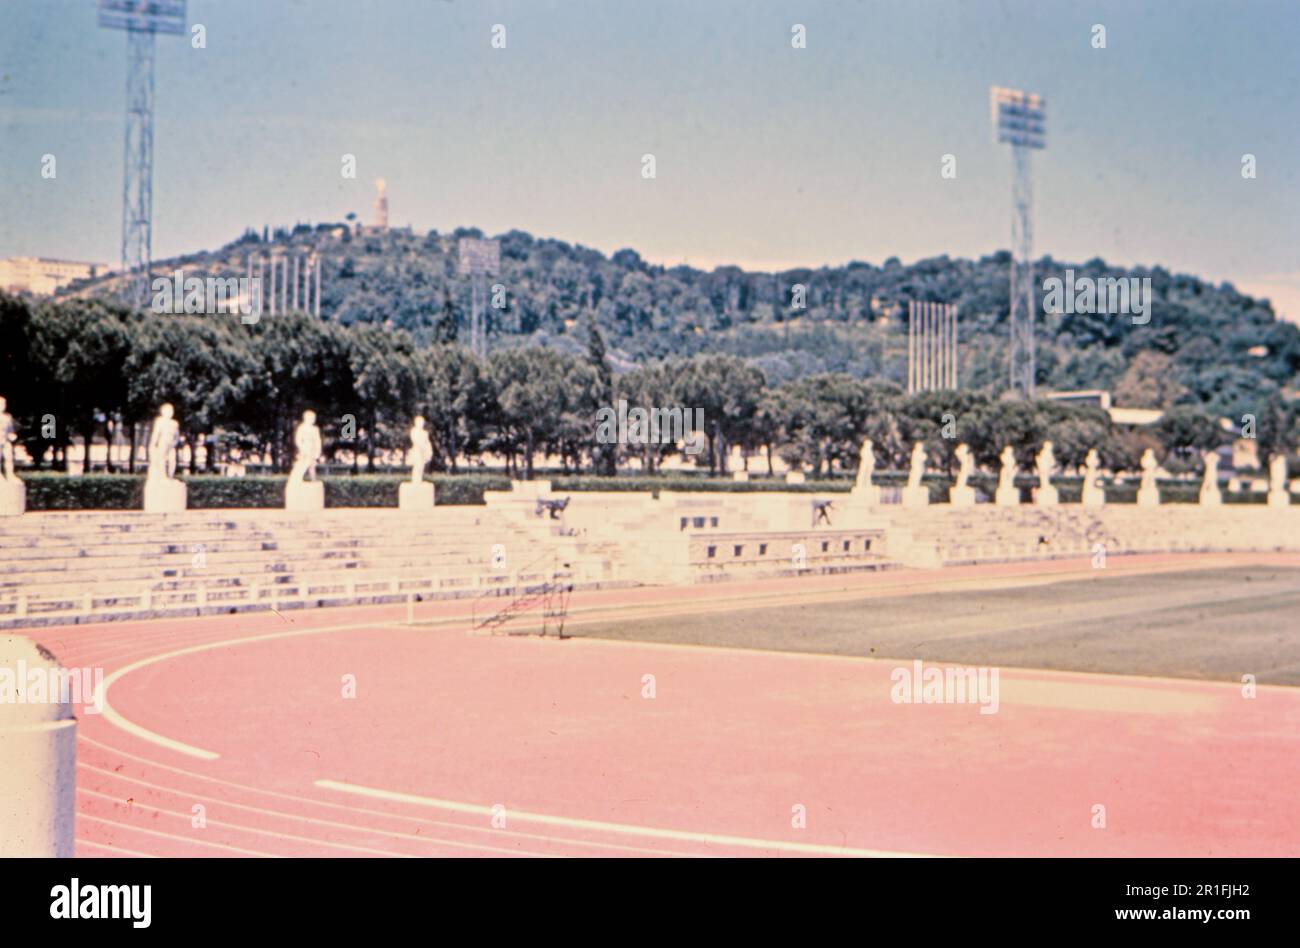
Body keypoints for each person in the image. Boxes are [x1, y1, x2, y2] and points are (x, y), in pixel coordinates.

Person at [289, 410, 323, 483]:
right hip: (304, 448)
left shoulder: (315, 429)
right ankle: (297, 479)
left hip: (312, 448)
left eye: (314, 418)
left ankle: (313, 479)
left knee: (312, 465)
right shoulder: (302, 427)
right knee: (303, 464)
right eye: (311, 418)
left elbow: (318, 440)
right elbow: (298, 439)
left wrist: (318, 451)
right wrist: (302, 448)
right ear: (305, 418)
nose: (313, 420)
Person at [0, 396, 15, 481]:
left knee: (8, 458)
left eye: (4, 404)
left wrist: (12, 435)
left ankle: (10, 475)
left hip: (6, 441)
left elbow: (10, 429)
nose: (3, 406)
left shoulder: (8, 417)